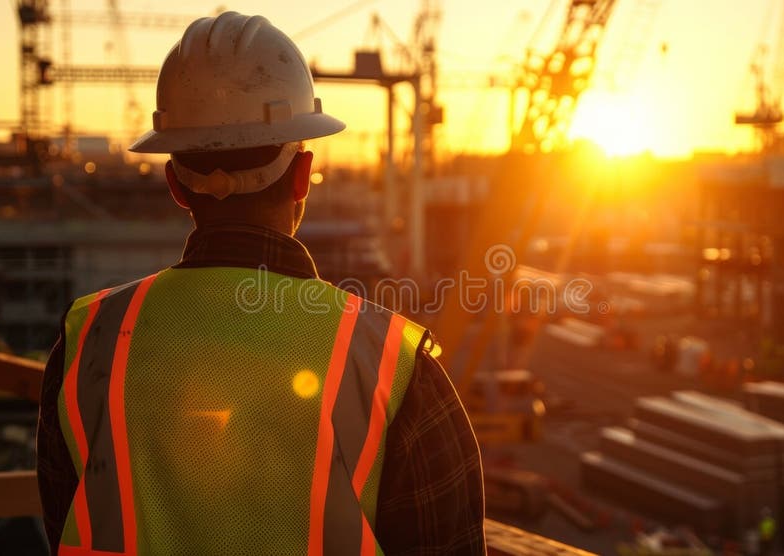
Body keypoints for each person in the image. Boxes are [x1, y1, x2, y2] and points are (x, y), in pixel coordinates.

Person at [36, 12, 485, 555]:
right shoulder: (392, 366)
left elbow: (65, 520)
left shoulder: (89, 343)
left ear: (176, 184)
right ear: (302, 175)